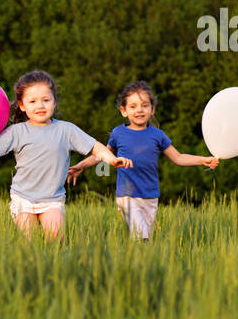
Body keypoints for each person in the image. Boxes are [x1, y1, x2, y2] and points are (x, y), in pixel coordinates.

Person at [0, 69, 129, 240]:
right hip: (23, 198)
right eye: (33, 101)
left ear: (54, 101)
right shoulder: (17, 131)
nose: (40, 106)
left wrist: (111, 159)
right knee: (32, 242)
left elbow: (95, 146)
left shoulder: (66, 130)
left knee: (57, 239)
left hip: (52, 198)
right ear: (22, 105)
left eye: (45, 100)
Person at [68, 81, 219, 239]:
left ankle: (139, 262)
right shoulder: (118, 133)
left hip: (150, 196)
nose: (139, 110)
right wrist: (82, 165)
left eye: (144, 105)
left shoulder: (158, 135)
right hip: (127, 195)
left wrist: (202, 160)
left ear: (152, 109)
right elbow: (102, 154)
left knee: (144, 239)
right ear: (123, 111)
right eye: (133, 106)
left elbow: (178, 157)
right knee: (140, 236)